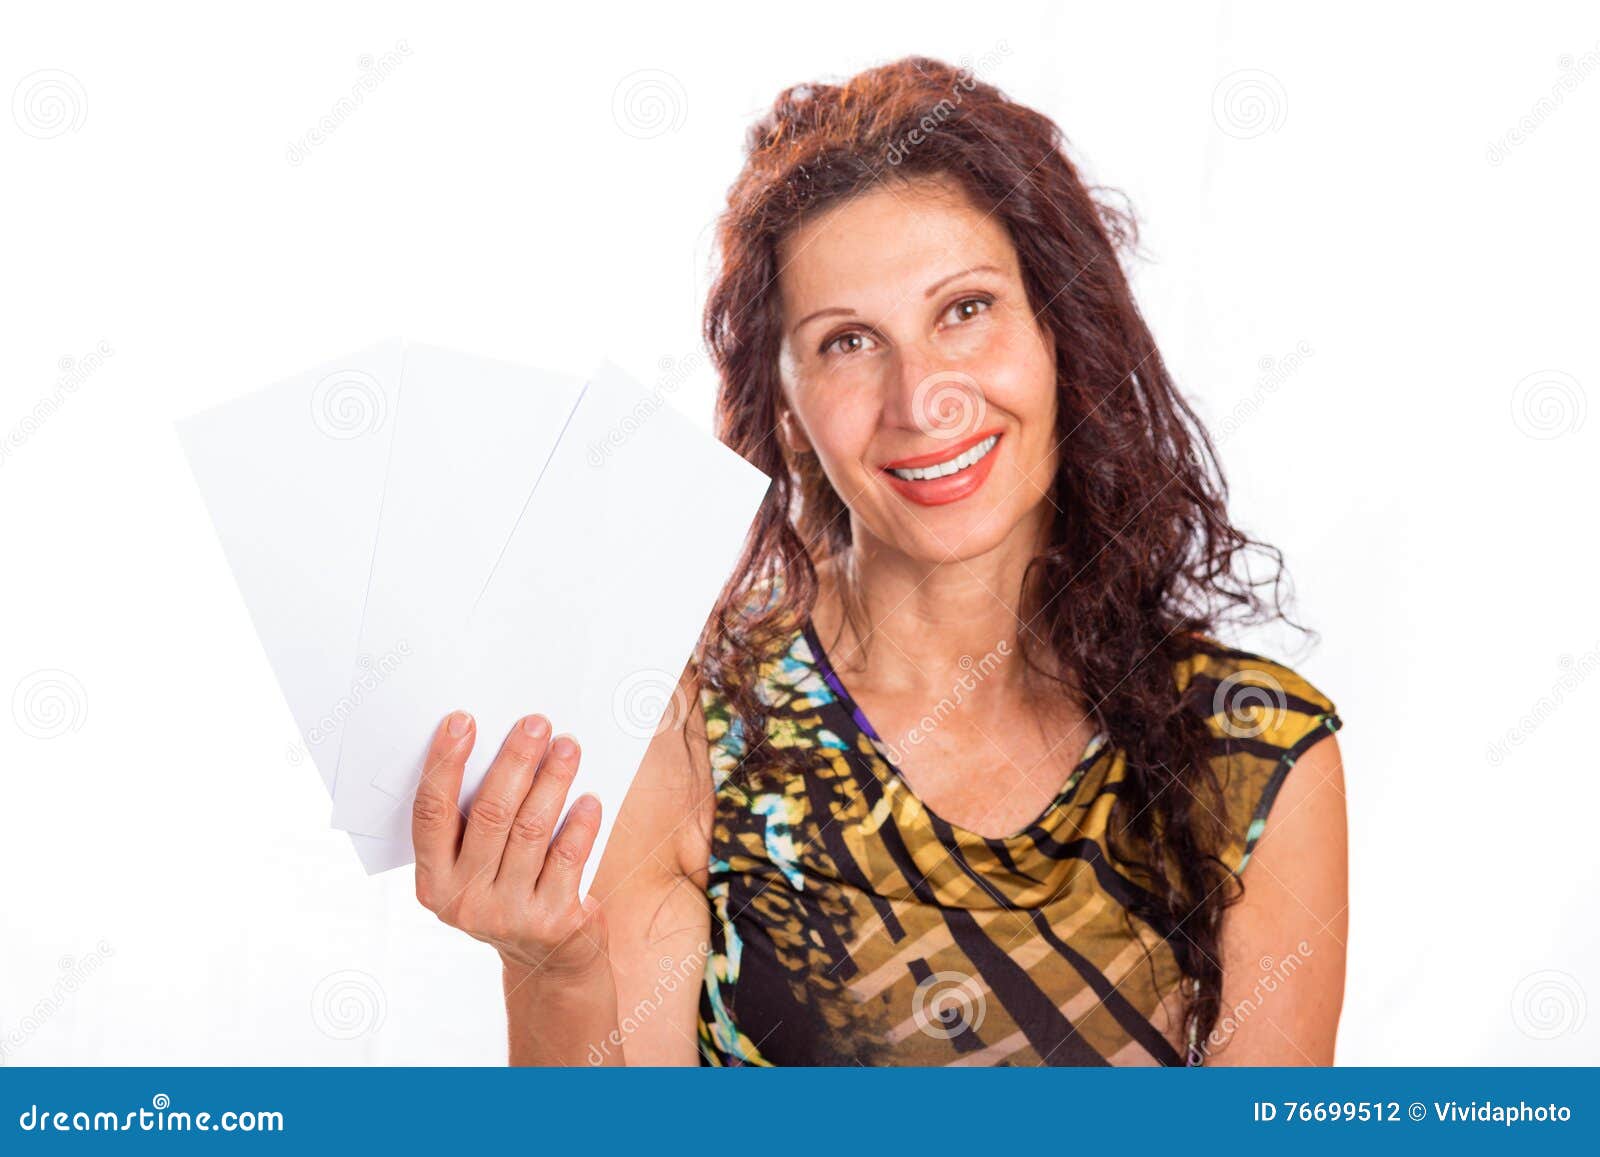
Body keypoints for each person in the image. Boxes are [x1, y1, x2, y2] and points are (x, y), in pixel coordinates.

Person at [410, 55, 1347, 1067]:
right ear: (787, 412)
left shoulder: (1250, 757)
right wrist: (553, 969)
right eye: (848, 341)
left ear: (1060, 333)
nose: (921, 400)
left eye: (965, 309)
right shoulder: (684, 732)